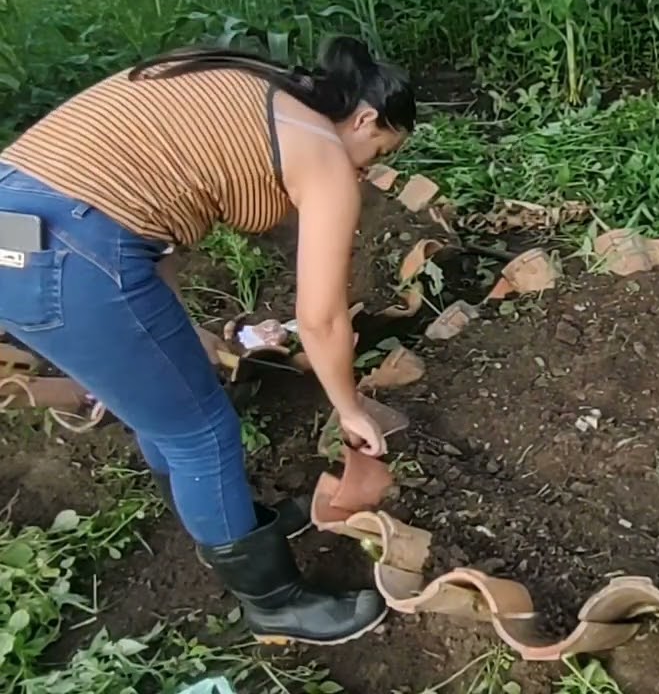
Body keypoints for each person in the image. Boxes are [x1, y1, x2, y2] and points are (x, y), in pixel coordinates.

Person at [0, 36, 414, 646]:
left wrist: (180, 326)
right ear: (363, 119)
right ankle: (274, 603)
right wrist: (349, 408)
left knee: (170, 405)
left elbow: (150, 218)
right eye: (376, 152)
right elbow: (322, 319)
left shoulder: (248, 86)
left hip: (17, 223)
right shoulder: (322, 153)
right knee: (200, 433)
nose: (364, 171)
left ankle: (223, 521)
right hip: (73, 254)